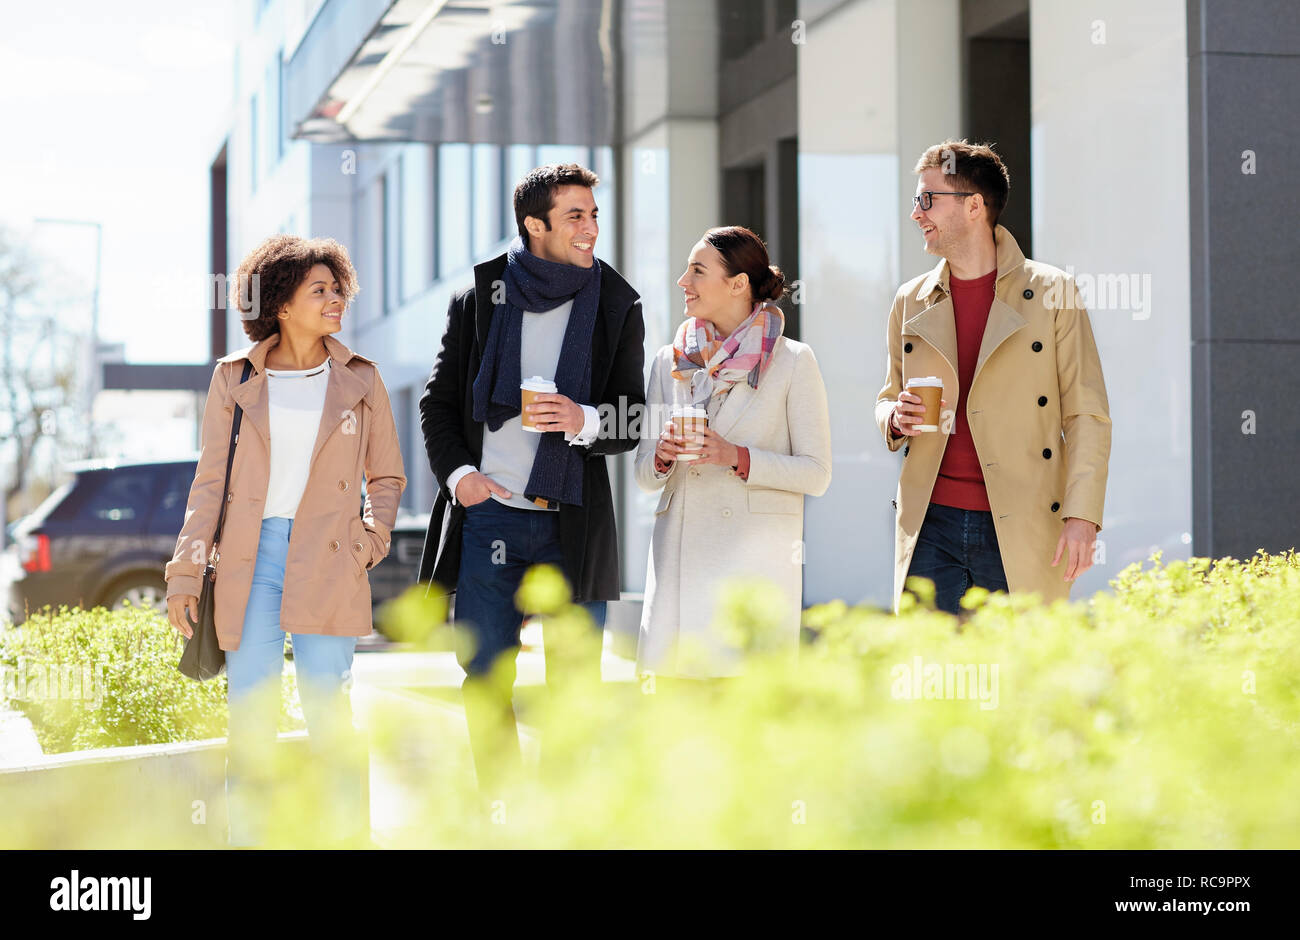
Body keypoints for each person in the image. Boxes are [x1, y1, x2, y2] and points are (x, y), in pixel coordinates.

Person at [165, 234, 407, 846]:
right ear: (280, 303)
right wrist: (185, 573)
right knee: (250, 719)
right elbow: (209, 484)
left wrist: (369, 542)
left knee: (331, 716)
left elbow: (387, 475)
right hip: (252, 560)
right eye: (319, 291)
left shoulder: (361, 378)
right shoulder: (234, 378)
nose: (336, 301)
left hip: (330, 558)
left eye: (338, 289)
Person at [417, 163, 645, 794]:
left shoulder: (617, 304)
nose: (591, 228)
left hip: (574, 521)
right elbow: (437, 404)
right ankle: (502, 809)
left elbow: (632, 416)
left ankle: (563, 820)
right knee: (486, 676)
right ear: (534, 224)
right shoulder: (480, 298)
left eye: (594, 214)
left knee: (576, 685)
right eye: (576, 215)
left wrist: (581, 418)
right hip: (490, 515)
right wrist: (461, 475)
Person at [876, 139, 1111, 615]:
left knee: (1018, 677)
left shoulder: (1051, 291)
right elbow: (887, 397)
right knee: (931, 674)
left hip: (1021, 520)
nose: (915, 213)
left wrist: (1082, 514)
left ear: (974, 207)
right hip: (930, 521)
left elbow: (1087, 412)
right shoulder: (911, 298)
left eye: (927, 199)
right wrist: (895, 418)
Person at [635, 226, 831, 680]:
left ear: (738, 283)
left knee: (745, 727)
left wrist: (736, 456)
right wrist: (662, 456)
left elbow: (816, 473)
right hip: (679, 575)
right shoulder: (670, 361)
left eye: (697, 271)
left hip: (753, 573)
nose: (683, 282)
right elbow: (644, 475)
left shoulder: (794, 361)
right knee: (677, 729)